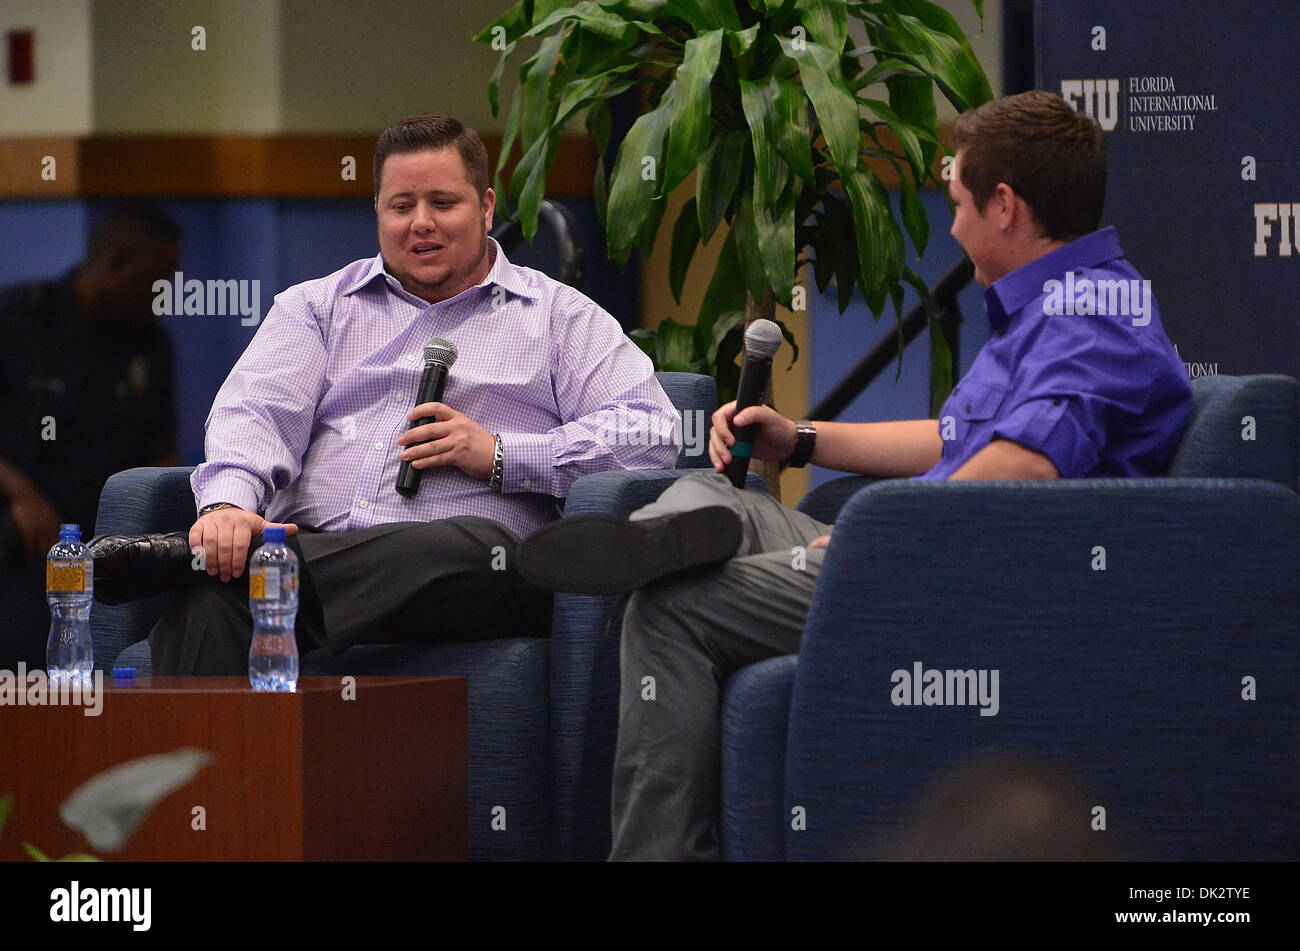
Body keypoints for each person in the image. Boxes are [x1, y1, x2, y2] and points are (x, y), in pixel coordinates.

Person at [515, 90, 1194, 860]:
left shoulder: (1091, 320)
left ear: (1004, 206)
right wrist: (798, 439)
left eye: (959, 198)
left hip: (962, 579)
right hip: (925, 550)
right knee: (714, 490)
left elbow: (1021, 470)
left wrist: (873, 542)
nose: (955, 220)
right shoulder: (1058, 307)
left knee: (668, 609)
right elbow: (957, 440)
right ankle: (670, 535)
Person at [88, 115, 680, 673]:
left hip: (474, 567)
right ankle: (200, 780)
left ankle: (249, 568)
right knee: (209, 613)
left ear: (486, 206)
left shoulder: (556, 316)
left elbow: (650, 433)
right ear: (377, 211)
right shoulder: (316, 308)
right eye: (402, 205)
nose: (421, 222)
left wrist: (501, 454)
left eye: (443, 203)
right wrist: (228, 507)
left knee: (469, 547)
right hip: (324, 546)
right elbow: (254, 412)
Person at [0, 202, 180, 669]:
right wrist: (20, 492)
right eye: (158, 279)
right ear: (117, 262)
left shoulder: (148, 344)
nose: (165, 294)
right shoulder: (19, 318)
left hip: (109, 550)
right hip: (26, 541)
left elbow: (163, 450)